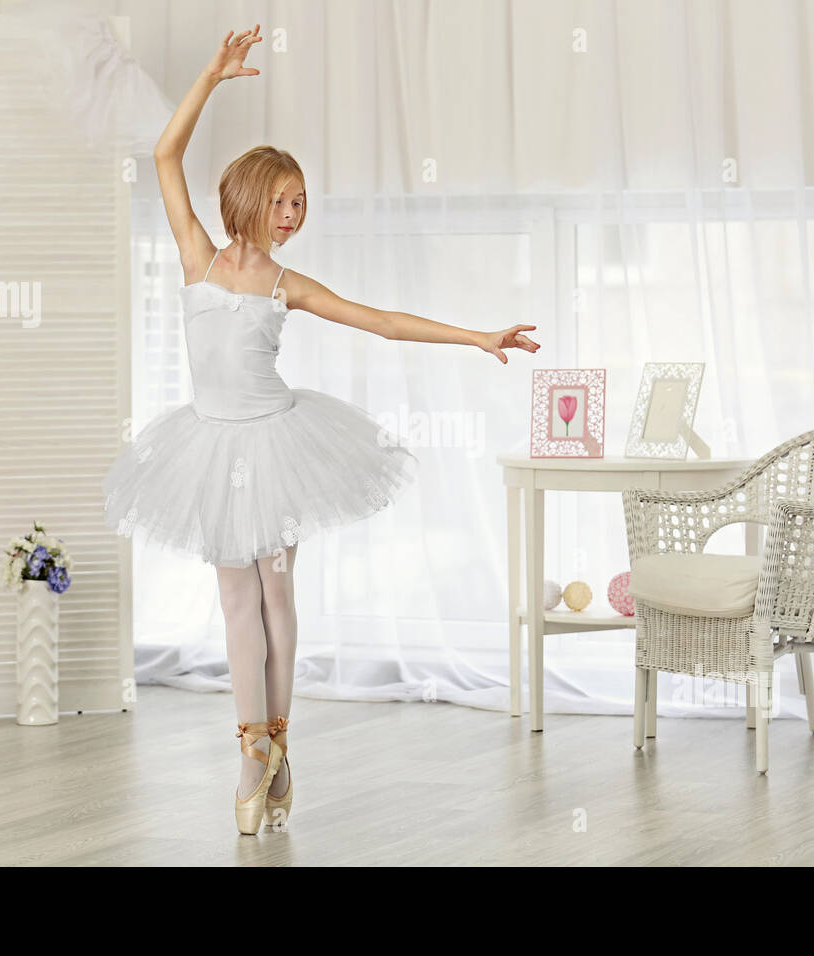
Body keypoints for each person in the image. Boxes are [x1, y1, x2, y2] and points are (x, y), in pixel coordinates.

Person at [102, 25, 540, 835]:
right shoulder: (196, 257)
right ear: (249, 198)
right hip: (208, 445)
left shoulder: (285, 283)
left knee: (275, 592)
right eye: (284, 200)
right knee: (235, 600)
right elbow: (165, 158)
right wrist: (209, 76)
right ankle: (251, 749)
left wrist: (476, 336)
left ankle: (281, 741)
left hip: (273, 444)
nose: (295, 213)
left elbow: (383, 322)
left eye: (301, 203)